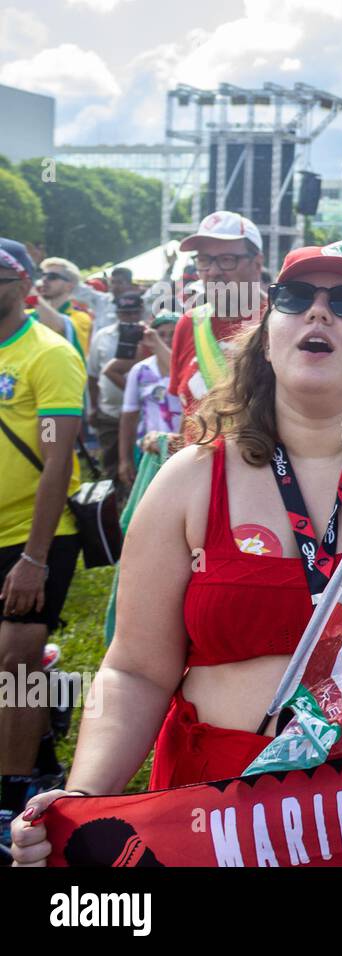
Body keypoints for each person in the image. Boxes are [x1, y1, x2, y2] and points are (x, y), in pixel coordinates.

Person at [9, 238, 342, 866]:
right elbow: (135, 671)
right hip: (210, 818)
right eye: (296, 297)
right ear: (268, 331)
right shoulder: (191, 480)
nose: (319, 312)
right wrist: (87, 798)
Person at [0, 239, 84, 853]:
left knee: (13, 665)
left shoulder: (49, 355)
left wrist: (32, 559)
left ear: (25, 283)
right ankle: (48, 731)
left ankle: (12, 794)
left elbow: (57, 463)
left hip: (37, 537)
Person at [168, 211, 267, 422]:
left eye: (226, 260)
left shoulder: (282, 322)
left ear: (257, 264)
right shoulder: (188, 324)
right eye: (204, 260)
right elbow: (187, 414)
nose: (213, 271)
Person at [86, 291, 149, 487]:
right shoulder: (102, 336)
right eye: (125, 313)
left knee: (143, 467)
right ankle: (116, 508)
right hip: (110, 412)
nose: (130, 317)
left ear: (141, 312)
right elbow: (93, 374)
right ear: (118, 313)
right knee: (113, 466)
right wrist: (93, 408)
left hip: (144, 416)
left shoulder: (151, 336)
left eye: (134, 313)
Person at [117, 313, 181, 488]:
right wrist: (125, 459)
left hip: (181, 450)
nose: (167, 339)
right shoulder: (140, 370)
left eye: (173, 333)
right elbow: (128, 418)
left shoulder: (189, 368)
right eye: (161, 334)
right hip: (149, 451)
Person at [30, 258, 93, 360]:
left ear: (69, 286)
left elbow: (59, 326)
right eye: (43, 275)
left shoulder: (81, 318)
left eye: (52, 276)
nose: (44, 280)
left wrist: (29, 292)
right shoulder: (31, 314)